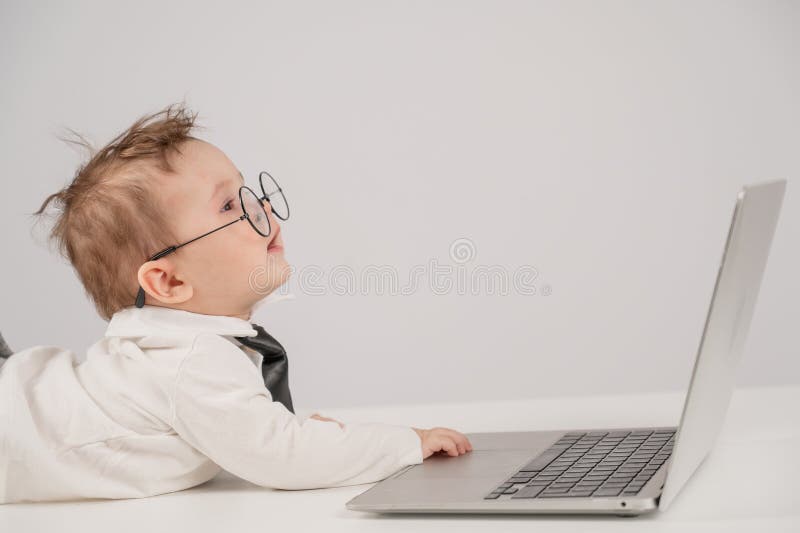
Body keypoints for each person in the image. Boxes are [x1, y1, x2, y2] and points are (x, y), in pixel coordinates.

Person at [0, 102, 472, 504]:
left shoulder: (184, 356)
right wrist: (406, 443)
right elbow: (282, 458)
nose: (260, 209)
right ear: (167, 280)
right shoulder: (192, 360)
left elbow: (255, 436)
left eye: (247, 192)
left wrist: (300, 433)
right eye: (228, 207)